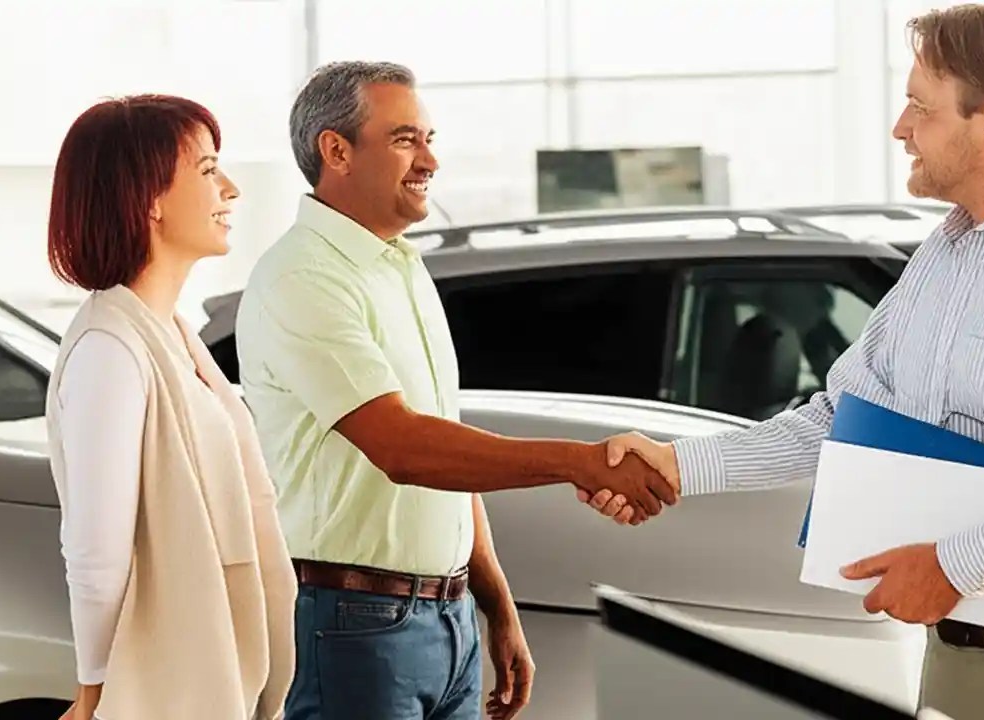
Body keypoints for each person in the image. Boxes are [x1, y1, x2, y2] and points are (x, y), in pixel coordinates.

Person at [583, 3, 984, 719]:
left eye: (920, 109)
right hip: (957, 655)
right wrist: (679, 465)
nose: (901, 129)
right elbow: (843, 417)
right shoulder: (946, 252)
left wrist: (954, 565)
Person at [234, 61, 677, 720]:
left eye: (430, 137)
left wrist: (495, 606)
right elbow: (405, 448)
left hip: (447, 620)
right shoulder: (302, 277)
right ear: (336, 150)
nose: (431, 159)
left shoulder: (402, 266)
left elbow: (446, 446)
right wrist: (577, 461)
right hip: (352, 626)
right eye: (406, 138)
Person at [45, 95, 297, 720]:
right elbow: (96, 544)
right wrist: (96, 688)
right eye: (209, 170)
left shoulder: (173, 333)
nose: (231, 189)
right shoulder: (110, 347)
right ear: (148, 198)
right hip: (161, 686)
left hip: (214, 665)